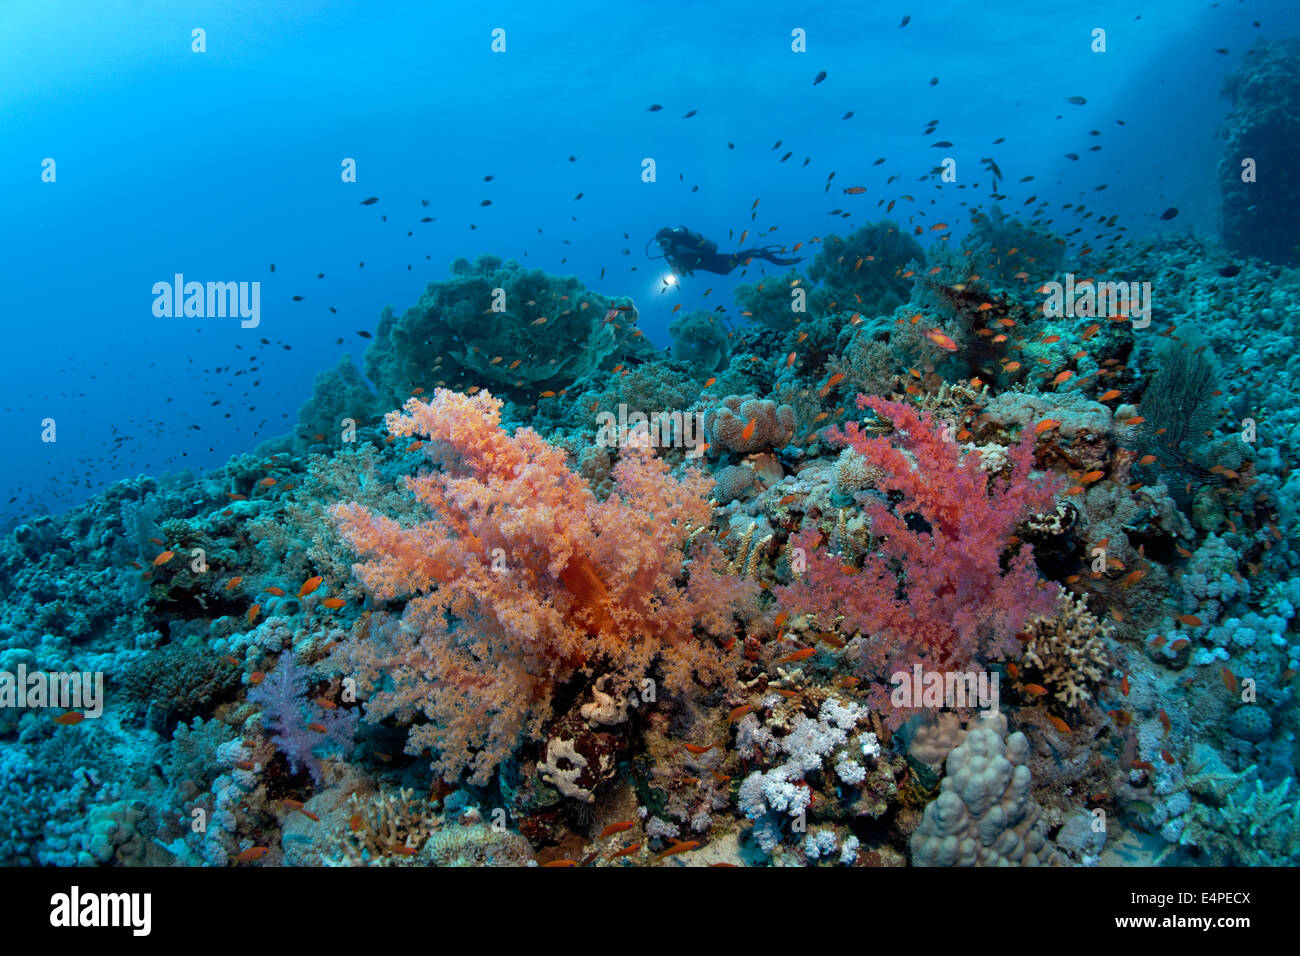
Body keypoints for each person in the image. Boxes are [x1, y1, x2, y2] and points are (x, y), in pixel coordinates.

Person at [650, 226, 804, 276]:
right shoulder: (669, 253)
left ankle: (764, 254)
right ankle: (762, 253)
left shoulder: (680, 246)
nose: (663, 247)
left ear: (670, 239)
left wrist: (683, 266)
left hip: (712, 260)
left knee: (733, 261)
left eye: (664, 243)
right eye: (660, 245)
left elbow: (694, 255)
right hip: (710, 264)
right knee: (730, 265)